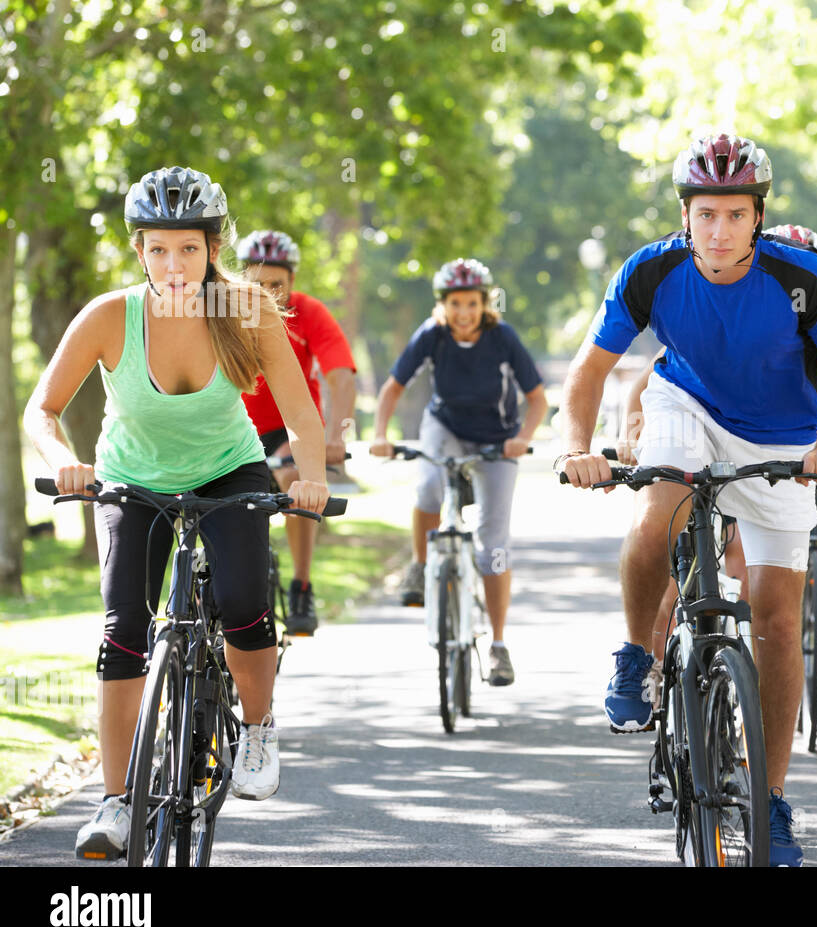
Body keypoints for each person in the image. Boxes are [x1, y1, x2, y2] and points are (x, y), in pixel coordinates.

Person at [558, 133, 817, 866]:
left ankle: (771, 802)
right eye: (707, 214)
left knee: (778, 617)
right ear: (686, 215)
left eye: (736, 214)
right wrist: (577, 445)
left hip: (781, 439)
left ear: (758, 216)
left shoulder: (802, 275)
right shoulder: (652, 271)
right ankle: (637, 655)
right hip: (685, 404)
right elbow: (591, 364)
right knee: (657, 509)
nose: (720, 229)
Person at [23, 166, 330, 859]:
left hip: (229, 471)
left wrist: (309, 480)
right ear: (139, 251)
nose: (174, 265)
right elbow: (40, 411)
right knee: (123, 629)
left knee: (248, 603)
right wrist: (63, 460)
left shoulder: (246, 312)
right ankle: (113, 803)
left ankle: (255, 731)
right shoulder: (109, 316)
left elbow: (303, 420)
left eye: (188, 249)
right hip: (132, 479)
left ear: (214, 248)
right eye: (158, 249)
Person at [616, 223, 817, 719]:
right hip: (715, 446)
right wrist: (632, 432)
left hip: (803, 458)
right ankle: (650, 662)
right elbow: (650, 380)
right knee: (670, 546)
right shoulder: (741, 316)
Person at [369, 259, 545, 687]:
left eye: (471, 303)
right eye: (455, 304)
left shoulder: (502, 338)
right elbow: (393, 388)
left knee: (493, 544)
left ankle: (499, 645)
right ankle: (419, 563)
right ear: (443, 306)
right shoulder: (432, 336)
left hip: (496, 440)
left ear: (485, 303)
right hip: (445, 428)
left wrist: (522, 437)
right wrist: (378, 435)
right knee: (428, 486)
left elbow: (536, 397)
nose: (463, 312)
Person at [237, 229, 357, 636]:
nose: (268, 294)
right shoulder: (227, 309)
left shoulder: (309, 313)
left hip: (291, 427)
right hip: (234, 428)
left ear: (293, 282)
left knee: (294, 480)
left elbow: (340, 377)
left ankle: (301, 585)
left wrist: (337, 437)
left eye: (277, 285)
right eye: (258, 284)